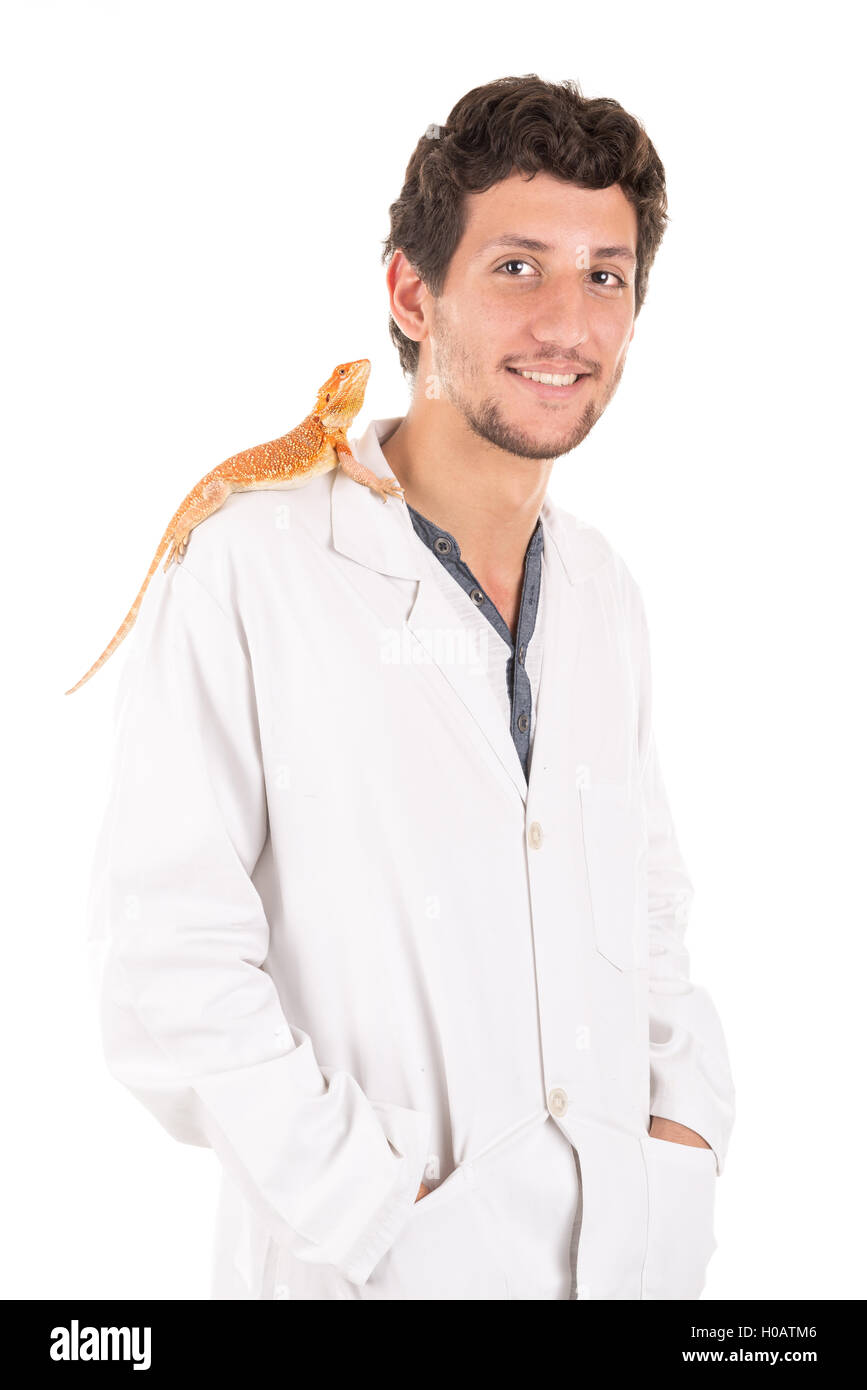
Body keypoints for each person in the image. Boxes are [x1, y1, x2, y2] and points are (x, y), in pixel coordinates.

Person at [87, 73, 735, 1300]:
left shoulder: (604, 591)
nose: (568, 321)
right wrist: (378, 1212)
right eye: (517, 267)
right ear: (411, 293)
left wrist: (684, 1136)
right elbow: (165, 962)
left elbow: (646, 908)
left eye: (606, 274)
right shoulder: (250, 565)